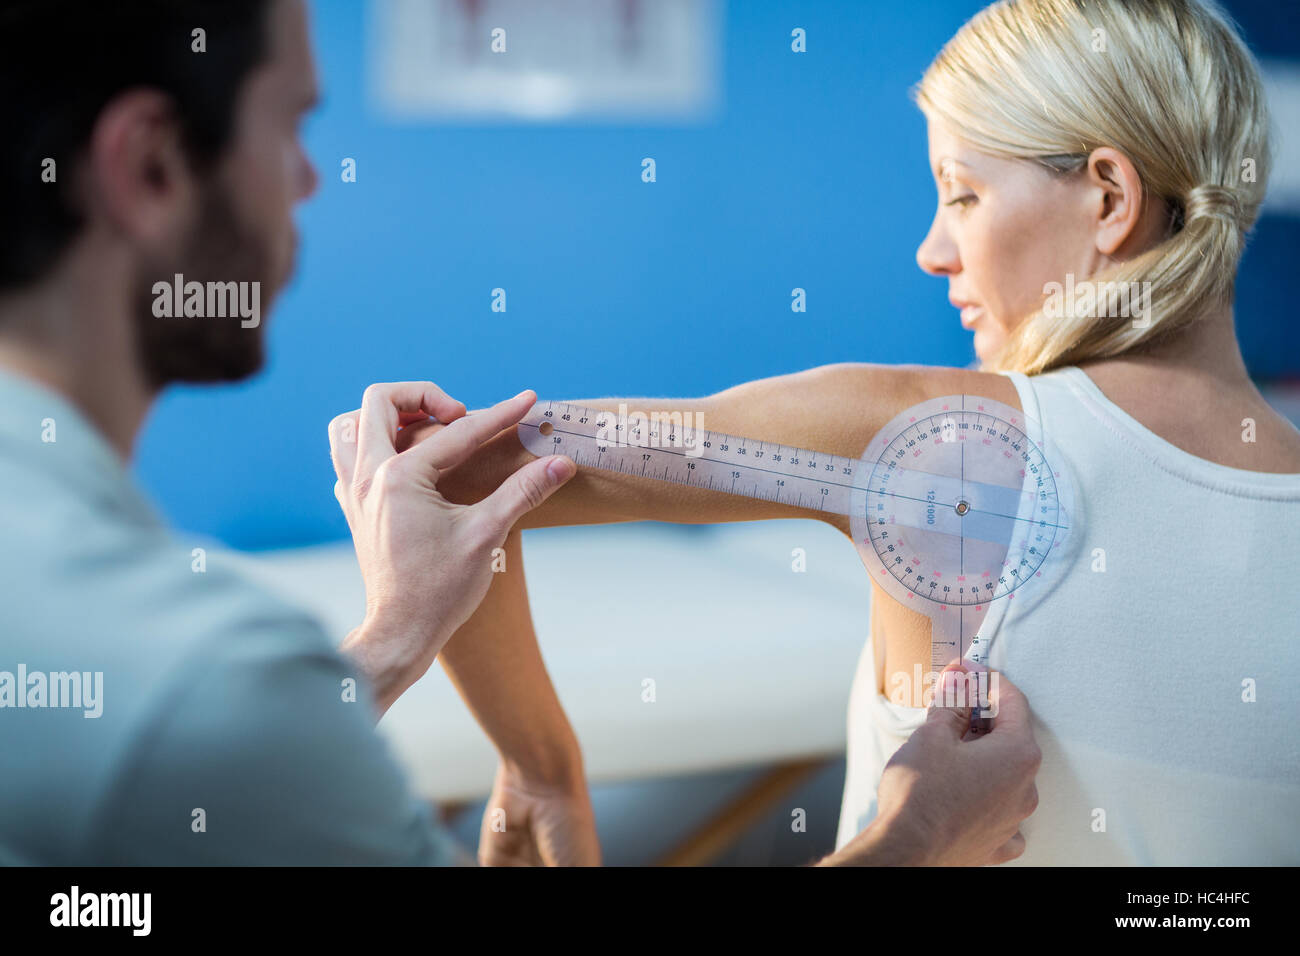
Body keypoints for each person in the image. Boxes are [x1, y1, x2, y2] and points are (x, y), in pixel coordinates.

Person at [0, 0, 1041, 866]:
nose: (310, 180)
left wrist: (401, 644)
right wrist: (921, 829)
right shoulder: (201, 679)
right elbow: (212, 731)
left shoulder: (148, 668)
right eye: (291, 128)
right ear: (147, 168)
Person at [428, 0, 1300, 865]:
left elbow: (449, 478)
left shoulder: (928, 443)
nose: (932, 249)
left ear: (1110, 197)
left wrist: (540, 766)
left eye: (963, 193)